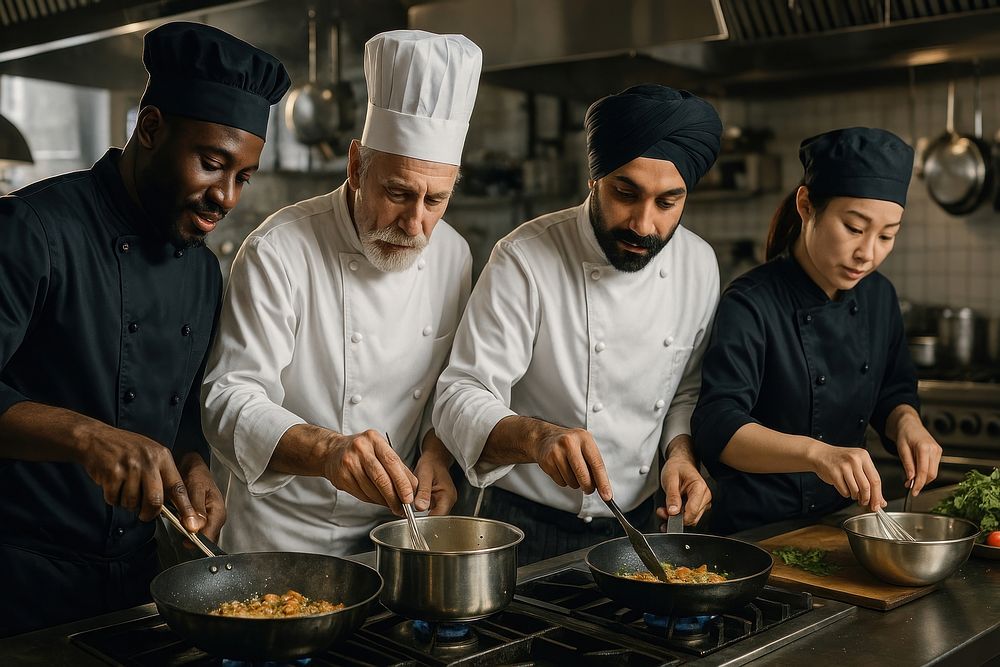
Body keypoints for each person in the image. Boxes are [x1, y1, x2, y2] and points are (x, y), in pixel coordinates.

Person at [0, 22, 289, 635]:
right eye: (212, 164)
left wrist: (195, 464)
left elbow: (178, 408)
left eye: (242, 177)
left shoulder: (204, 271)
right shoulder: (32, 230)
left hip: (139, 587)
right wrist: (87, 437)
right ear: (151, 128)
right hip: (21, 584)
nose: (226, 197)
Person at [201, 30, 481, 555]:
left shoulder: (454, 256)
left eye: (435, 201)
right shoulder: (279, 250)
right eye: (398, 192)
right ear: (356, 166)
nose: (415, 225)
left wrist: (435, 454)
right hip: (280, 536)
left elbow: (446, 384)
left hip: (396, 530)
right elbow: (229, 400)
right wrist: (327, 451)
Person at [433, 85, 720, 565]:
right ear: (594, 180)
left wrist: (681, 455)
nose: (643, 224)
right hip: (521, 528)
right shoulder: (525, 258)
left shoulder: (699, 265)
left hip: (639, 528)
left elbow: (685, 392)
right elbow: (459, 396)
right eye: (625, 194)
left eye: (667, 203)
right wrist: (538, 438)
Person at [691, 127, 943, 535]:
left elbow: (892, 391)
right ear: (806, 206)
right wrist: (816, 454)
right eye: (854, 228)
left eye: (887, 235)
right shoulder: (751, 302)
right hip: (754, 532)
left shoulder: (879, 296)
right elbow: (717, 427)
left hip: (839, 524)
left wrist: (907, 424)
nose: (867, 253)